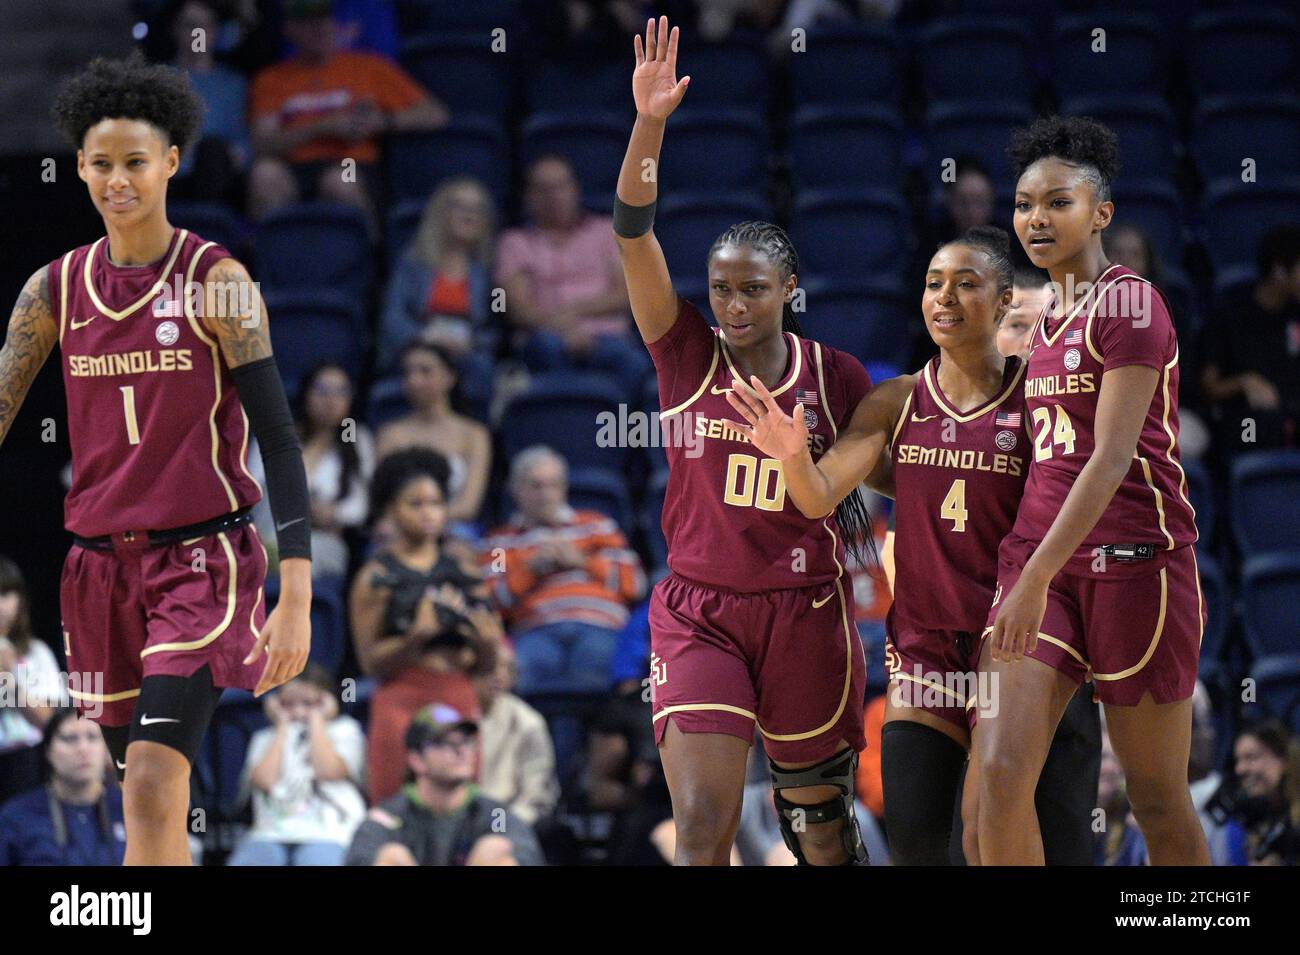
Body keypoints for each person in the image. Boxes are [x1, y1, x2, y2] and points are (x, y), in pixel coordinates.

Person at [0, 54, 311, 866]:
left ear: (171, 160)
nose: (117, 181)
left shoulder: (221, 281)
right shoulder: (53, 290)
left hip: (201, 562)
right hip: (97, 572)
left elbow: (279, 437)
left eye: (135, 162)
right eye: (100, 165)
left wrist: (298, 590)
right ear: (79, 167)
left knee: (146, 783)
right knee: (150, 806)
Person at [733, 226, 1099, 865]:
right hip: (926, 653)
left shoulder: (1041, 403)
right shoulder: (897, 401)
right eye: (933, 284)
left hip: (1020, 647)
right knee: (918, 846)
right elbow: (818, 496)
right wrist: (792, 457)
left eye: (965, 284)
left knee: (1002, 839)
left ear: (1005, 298)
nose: (945, 298)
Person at [614, 17, 877, 866]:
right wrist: (649, 124)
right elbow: (631, 233)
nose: (731, 304)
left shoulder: (837, 376)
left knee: (821, 835)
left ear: (789, 289)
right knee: (701, 824)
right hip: (701, 611)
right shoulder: (683, 348)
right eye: (720, 287)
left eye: (752, 289)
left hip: (804, 609)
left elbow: (841, 491)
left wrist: (796, 454)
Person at [979, 115, 1207, 865]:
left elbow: (1108, 460)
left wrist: (1034, 576)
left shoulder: (1130, 304)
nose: (1035, 219)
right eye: (1022, 204)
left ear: (1101, 213)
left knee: (1157, 801)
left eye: (1056, 203)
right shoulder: (1039, 324)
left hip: (1138, 562)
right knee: (1002, 774)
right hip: (1043, 567)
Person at [349, 447, 502, 803]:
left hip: (457, 694)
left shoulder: (464, 572)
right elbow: (370, 663)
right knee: (395, 810)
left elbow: (486, 665)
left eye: (435, 503)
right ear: (391, 509)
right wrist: (415, 638)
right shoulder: (375, 577)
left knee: (458, 811)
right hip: (400, 699)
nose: (428, 513)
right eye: (415, 504)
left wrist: (488, 646)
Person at [245, 0, 449, 223]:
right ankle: (274, 253)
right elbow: (263, 144)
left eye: (324, 20)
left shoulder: (368, 67)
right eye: (308, 23)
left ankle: (367, 251)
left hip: (350, 163)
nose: (319, 29)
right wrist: (322, 127)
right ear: (289, 29)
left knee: (338, 180)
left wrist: (380, 122)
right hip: (293, 166)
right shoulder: (271, 78)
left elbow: (435, 114)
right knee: (264, 174)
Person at [480, 446, 646, 697]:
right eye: (535, 486)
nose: (546, 495)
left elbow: (634, 584)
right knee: (519, 674)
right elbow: (492, 599)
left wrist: (581, 561)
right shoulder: (499, 542)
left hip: (598, 625)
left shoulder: (598, 525)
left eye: (553, 485)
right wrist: (529, 570)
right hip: (535, 630)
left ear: (564, 488)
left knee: (598, 673)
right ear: (516, 490)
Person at [495, 153, 648, 389]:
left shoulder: (607, 232)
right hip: (544, 336)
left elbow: (627, 295)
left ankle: (622, 426)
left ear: (575, 189)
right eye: (543, 189)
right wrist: (562, 328)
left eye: (560, 187)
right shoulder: (515, 242)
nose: (553, 196)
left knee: (635, 363)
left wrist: (575, 311)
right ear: (528, 197)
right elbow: (516, 309)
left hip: (607, 338)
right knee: (547, 348)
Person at [344, 703, 544, 866]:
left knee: (495, 849)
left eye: (466, 742)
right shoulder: (389, 817)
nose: (461, 751)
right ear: (417, 760)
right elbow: (359, 858)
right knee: (391, 857)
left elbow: (528, 856)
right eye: (445, 743)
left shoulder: (494, 815)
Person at [377, 176, 500, 405]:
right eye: (460, 206)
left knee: (481, 369)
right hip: (417, 347)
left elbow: (494, 329)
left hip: (466, 355)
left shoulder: (488, 272)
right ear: (441, 213)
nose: (468, 214)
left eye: (476, 209)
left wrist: (470, 343)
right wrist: (424, 337)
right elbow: (392, 317)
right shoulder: (412, 264)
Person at [227, 663, 366, 866]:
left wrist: (317, 721)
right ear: (275, 703)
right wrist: (282, 728)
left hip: (330, 833)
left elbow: (328, 770)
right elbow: (265, 781)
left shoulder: (344, 730)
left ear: (327, 701)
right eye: (288, 704)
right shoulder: (264, 738)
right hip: (269, 833)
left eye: (309, 703)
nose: (299, 712)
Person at [250, 361, 374, 579]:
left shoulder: (352, 435)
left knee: (304, 558)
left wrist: (331, 514)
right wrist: (304, 509)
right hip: (270, 534)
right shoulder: (278, 435)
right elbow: (254, 489)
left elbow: (360, 507)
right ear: (306, 393)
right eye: (322, 391)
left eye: (341, 392)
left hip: (322, 540)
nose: (331, 400)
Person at [1200, 225, 1300, 457]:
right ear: (1279, 271)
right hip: (1246, 418)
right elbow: (1209, 388)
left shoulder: (1295, 314)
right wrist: (1244, 382)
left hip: (1293, 414)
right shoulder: (1229, 315)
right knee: (1256, 429)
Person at [374, 342, 491, 526]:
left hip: (455, 527)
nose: (414, 380)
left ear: (450, 377)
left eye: (425, 371)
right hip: (402, 527)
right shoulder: (390, 434)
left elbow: (469, 505)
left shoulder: (474, 434)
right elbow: (385, 498)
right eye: (408, 373)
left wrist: (428, 523)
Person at [0, 709, 127, 866]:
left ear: (107, 750)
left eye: (92, 737)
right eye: (70, 739)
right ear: (48, 750)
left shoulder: (128, 810)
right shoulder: (16, 817)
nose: (83, 748)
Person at [473, 642, 560, 827]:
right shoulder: (449, 716)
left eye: (507, 668)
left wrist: (499, 828)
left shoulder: (528, 722)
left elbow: (535, 797)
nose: (499, 675)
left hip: (505, 817)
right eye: (492, 666)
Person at [0, 557, 62, 804]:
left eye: (5, 594)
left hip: (29, 765)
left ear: (20, 600)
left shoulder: (37, 653)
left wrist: (9, 678)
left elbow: (50, 722)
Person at [1210, 720, 1300, 866]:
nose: (1240, 769)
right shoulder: (1252, 818)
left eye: (1251, 757)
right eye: (1238, 760)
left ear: (1284, 759)